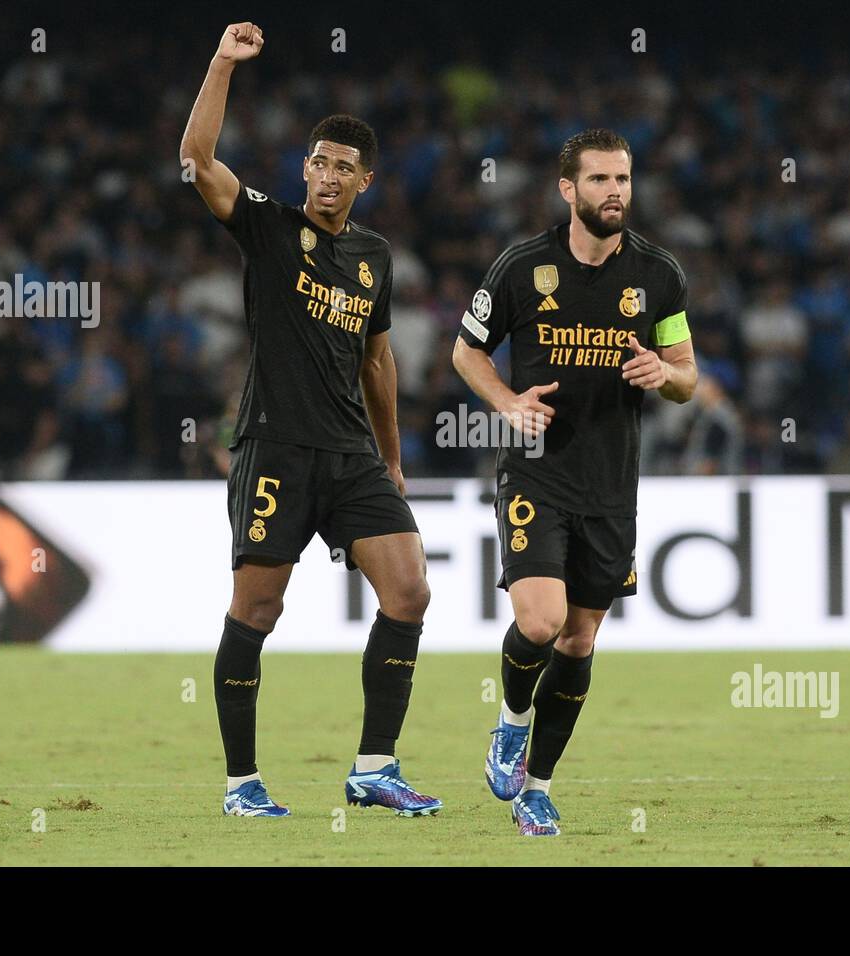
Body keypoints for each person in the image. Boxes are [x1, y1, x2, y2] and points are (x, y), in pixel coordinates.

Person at [181, 22, 439, 818]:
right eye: (318, 163)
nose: (327, 178)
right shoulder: (269, 225)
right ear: (305, 169)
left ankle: (374, 767)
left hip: (353, 454)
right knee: (257, 611)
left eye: (343, 169)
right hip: (275, 448)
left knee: (409, 593)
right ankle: (241, 783)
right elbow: (196, 160)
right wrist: (223, 61)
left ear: (365, 180)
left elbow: (378, 363)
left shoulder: (375, 258)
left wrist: (392, 459)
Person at [452, 129, 696, 836]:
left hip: (612, 486)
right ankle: (510, 720)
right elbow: (467, 351)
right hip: (538, 473)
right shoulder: (523, 267)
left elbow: (687, 375)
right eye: (599, 181)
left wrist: (666, 375)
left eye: (622, 179)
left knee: (580, 641)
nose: (614, 192)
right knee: (540, 621)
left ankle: (538, 787)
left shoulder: (660, 275)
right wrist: (505, 402)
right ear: (568, 190)